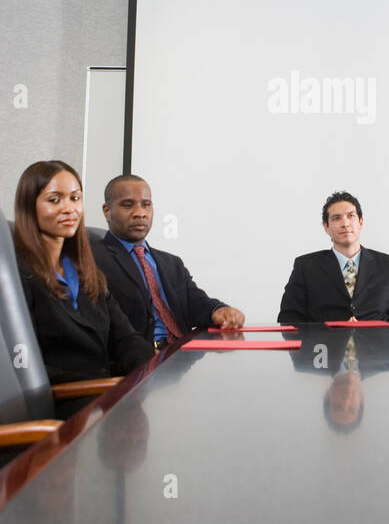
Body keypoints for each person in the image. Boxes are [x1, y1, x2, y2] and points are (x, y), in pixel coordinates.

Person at [13, 160, 154, 383]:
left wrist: (154, 370)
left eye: (75, 198)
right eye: (54, 200)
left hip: (101, 394)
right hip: (64, 401)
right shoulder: (18, 273)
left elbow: (126, 339)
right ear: (29, 207)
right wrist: (104, 387)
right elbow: (23, 363)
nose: (69, 208)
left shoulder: (87, 271)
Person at [91, 174, 244, 347]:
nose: (140, 213)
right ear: (107, 211)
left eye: (146, 205)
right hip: (137, 360)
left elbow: (195, 302)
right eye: (128, 205)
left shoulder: (171, 263)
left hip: (181, 356)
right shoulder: (93, 260)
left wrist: (218, 310)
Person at [277, 191, 389, 324]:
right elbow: (289, 319)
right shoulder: (305, 267)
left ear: (360, 222)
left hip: (376, 347)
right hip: (323, 347)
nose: (345, 223)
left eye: (351, 216)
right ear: (326, 227)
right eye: (336, 218)